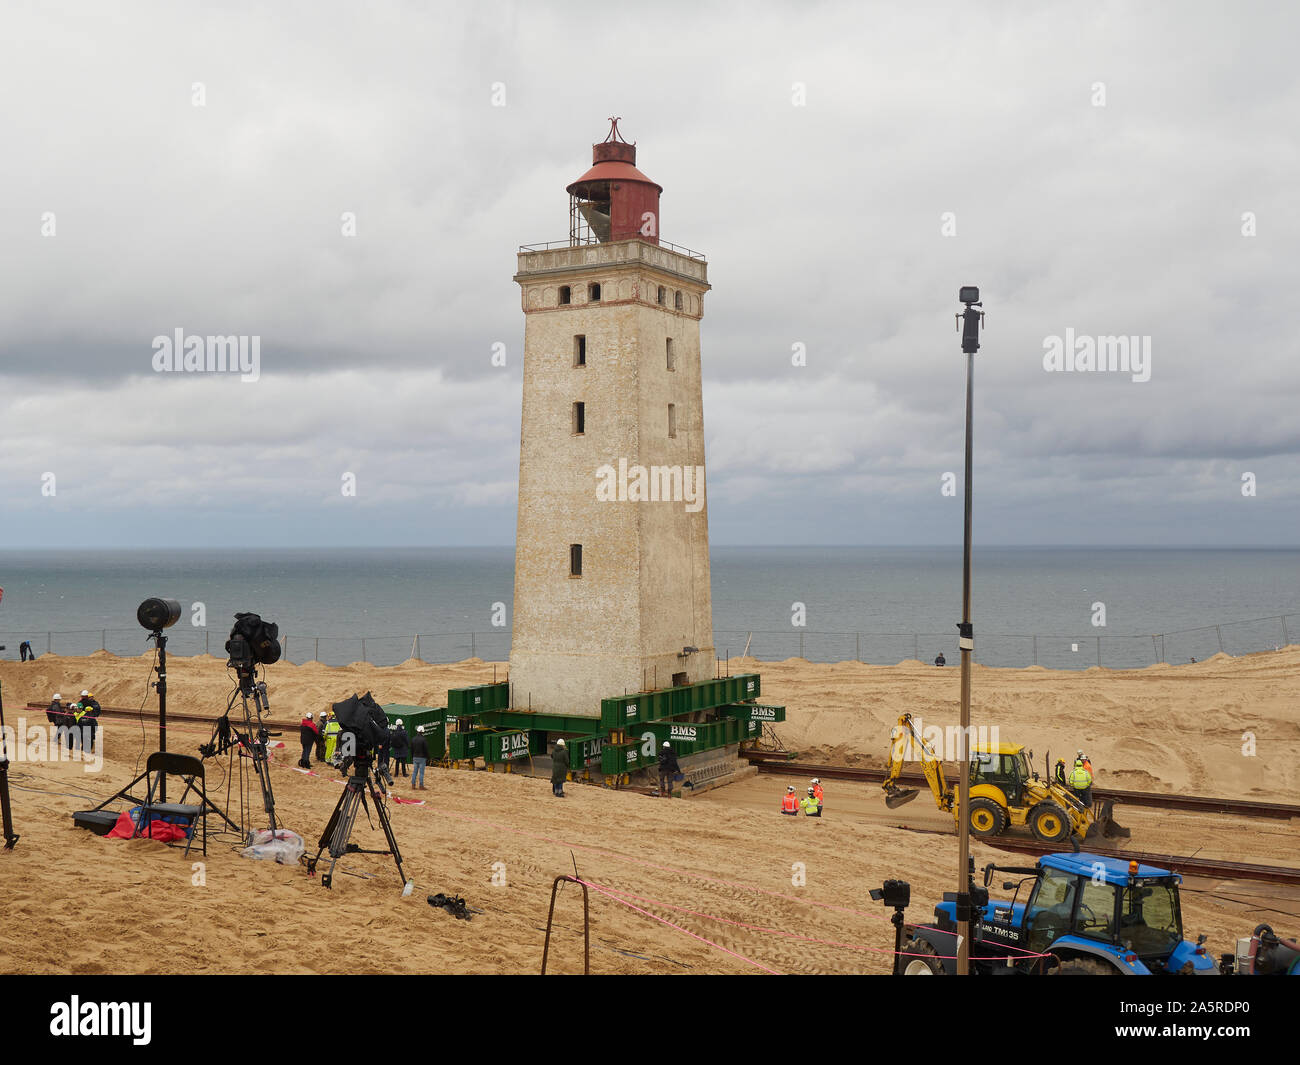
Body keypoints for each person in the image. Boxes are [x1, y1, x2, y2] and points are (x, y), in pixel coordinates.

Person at [411, 724, 429, 790]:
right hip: (422, 758)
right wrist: (428, 757)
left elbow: (412, 749)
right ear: (423, 732)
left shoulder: (413, 739)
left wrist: (412, 756)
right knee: (421, 773)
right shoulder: (424, 740)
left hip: (415, 757)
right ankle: (421, 786)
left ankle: (413, 785)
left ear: (417, 731)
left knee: (414, 772)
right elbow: (426, 749)